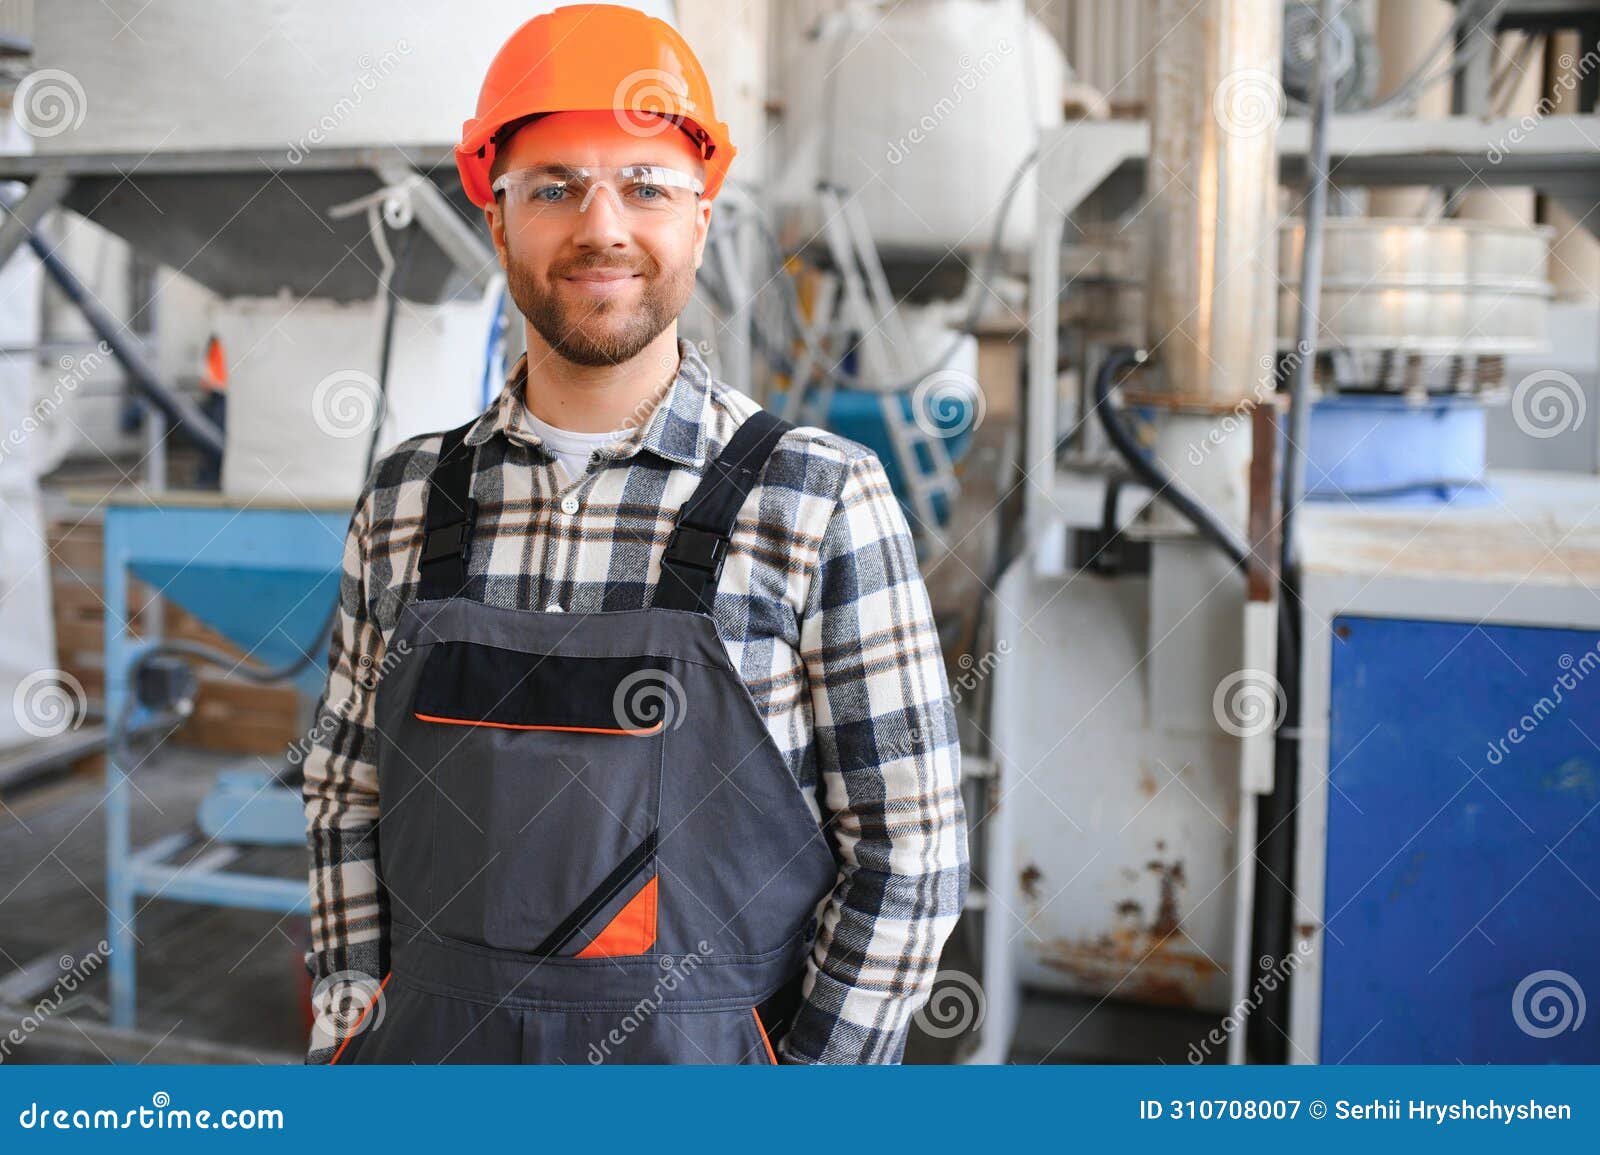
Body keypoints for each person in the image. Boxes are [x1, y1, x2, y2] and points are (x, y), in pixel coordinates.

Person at [301, 2, 967, 1065]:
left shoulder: (816, 499)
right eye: (554, 187)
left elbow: (909, 855)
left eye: (645, 186)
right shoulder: (405, 499)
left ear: (698, 220)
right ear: (497, 220)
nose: (601, 226)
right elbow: (344, 791)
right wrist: (351, 1030)